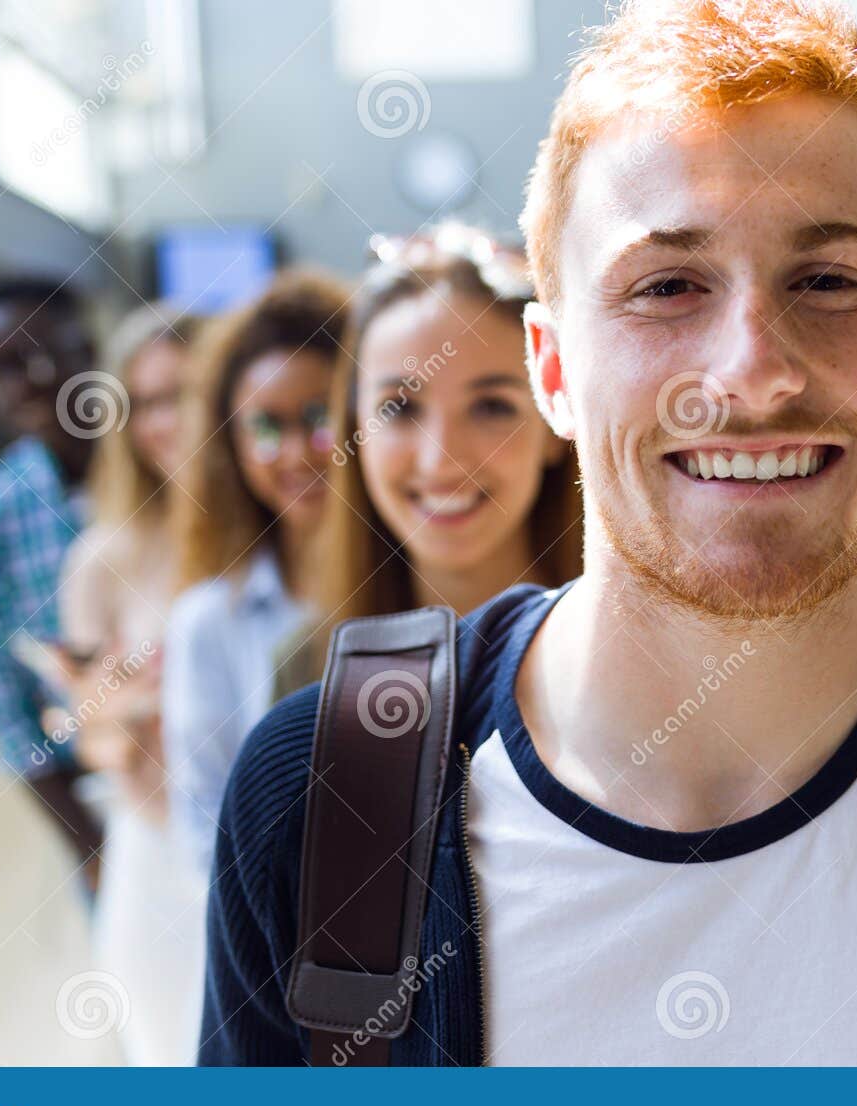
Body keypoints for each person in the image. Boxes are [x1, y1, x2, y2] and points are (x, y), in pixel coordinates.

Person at [200, 0, 857, 1067]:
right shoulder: (327, 798)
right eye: (666, 287)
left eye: (829, 281)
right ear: (552, 364)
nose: (753, 373)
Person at [178, 224, 584, 870]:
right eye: (400, 408)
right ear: (354, 430)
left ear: (555, 421)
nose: (440, 459)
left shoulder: (631, 652)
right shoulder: (305, 668)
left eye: (492, 407)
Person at [163, 269, 350, 876]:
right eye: (267, 427)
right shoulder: (208, 622)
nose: (298, 454)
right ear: (231, 445)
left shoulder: (437, 588)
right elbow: (206, 831)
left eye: (320, 418)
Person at [55, 302, 202, 1064]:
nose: (166, 420)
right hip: (157, 855)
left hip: (274, 861)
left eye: (185, 391)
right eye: (145, 401)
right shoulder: (100, 559)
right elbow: (91, 749)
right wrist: (115, 711)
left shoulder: (293, 534)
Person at [0, 277, 104, 891]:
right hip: (101, 794)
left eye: (35, 355)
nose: (24, 383)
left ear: (85, 349)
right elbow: (0, 695)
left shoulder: (175, 465)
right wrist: (91, 847)